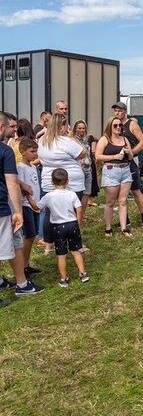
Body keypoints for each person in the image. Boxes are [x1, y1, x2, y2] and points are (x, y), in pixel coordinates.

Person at [0, 112, 45, 301]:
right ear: (1, 127)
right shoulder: (5, 150)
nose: (14, 129)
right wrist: (17, 211)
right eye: (11, 126)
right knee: (15, 243)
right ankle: (22, 284)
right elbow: (11, 182)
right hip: (2, 207)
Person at [38, 114, 86, 253]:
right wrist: (72, 138)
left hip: (49, 180)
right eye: (66, 125)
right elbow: (82, 153)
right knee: (73, 213)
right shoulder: (66, 141)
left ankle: (49, 244)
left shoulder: (42, 141)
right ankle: (76, 244)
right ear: (61, 126)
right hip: (70, 181)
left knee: (49, 213)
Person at [35, 169, 89, 287]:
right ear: (68, 181)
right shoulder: (72, 194)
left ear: (51, 182)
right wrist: (78, 222)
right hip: (72, 224)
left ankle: (64, 278)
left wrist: (28, 197)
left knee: (61, 254)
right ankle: (82, 273)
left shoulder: (48, 196)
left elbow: (37, 207)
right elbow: (79, 209)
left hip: (58, 226)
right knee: (75, 250)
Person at [112, 102, 143, 229]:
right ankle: (125, 218)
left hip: (131, 161)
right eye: (115, 111)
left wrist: (133, 152)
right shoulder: (114, 124)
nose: (117, 113)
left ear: (125, 111)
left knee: (135, 190)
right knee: (120, 192)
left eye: (119, 110)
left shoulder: (132, 124)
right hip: (118, 161)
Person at [95, 116, 134, 238]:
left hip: (125, 170)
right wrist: (115, 157)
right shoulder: (104, 139)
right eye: (115, 125)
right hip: (111, 170)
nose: (118, 127)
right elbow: (98, 156)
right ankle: (108, 228)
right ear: (110, 127)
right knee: (110, 202)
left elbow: (131, 157)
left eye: (120, 125)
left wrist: (129, 153)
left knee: (123, 201)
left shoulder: (125, 139)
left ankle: (123, 228)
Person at [16, 138, 42, 278]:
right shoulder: (21, 167)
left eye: (36, 151)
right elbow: (23, 188)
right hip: (27, 205)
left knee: (32, 236)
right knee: (29, 235)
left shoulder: (33, 167)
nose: (35, 154)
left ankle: (26, 264)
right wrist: (31, 201)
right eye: (32, 151)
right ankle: (23, 266)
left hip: (35, 205)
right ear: (23, 152)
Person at [72, 120, 94, 220]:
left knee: (87, 192)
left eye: (83, 128)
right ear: (75, 129)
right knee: (78, 193)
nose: (81, 130)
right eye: (79, 128)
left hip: (87, 168)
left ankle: (82, 214)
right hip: (78, 169)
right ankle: (76, 214)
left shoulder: (85, 139)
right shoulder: (72, 140)